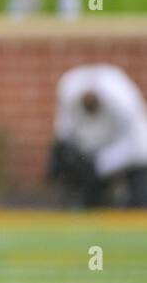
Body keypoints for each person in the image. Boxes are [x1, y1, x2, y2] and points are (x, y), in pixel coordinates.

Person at [49, 65, 147, 209]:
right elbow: (65, 132)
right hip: (95, 154)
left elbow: (134, 144)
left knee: (139, 203)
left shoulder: (122, 101)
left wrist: (101, 164)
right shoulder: (69, 92)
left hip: (133, 156)